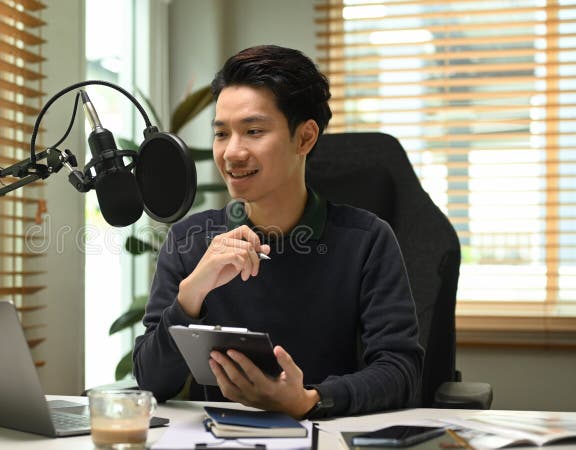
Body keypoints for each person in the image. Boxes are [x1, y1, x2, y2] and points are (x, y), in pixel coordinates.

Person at [132, 45, 423, 419]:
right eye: (222, 134)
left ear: (304, 138)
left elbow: (401, 371)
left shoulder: (367, 240)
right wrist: (189, 297)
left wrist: (308, 400)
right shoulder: (190, 239)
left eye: (253, 131)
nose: (232, 152)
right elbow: (152, 383)